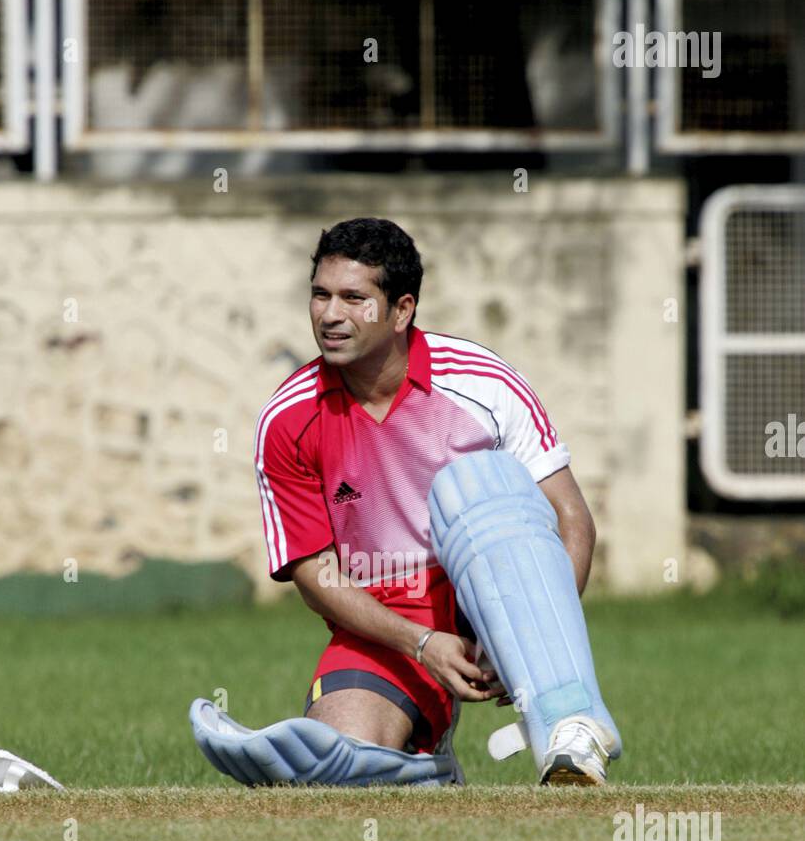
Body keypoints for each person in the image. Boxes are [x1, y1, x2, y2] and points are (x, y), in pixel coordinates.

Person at [191, 217, 620, 787]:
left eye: (353, 298)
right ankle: (424, 773)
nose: (330, 315)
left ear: (402, 310)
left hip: (501, 591)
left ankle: (570, 721)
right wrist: (421, 644)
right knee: (337, 766)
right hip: (386, 624)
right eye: (320, 295)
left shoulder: (483, 386)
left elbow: (573, 521)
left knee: (479, 482)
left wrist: (529, 639)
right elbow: (314, 573)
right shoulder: (288, 418)